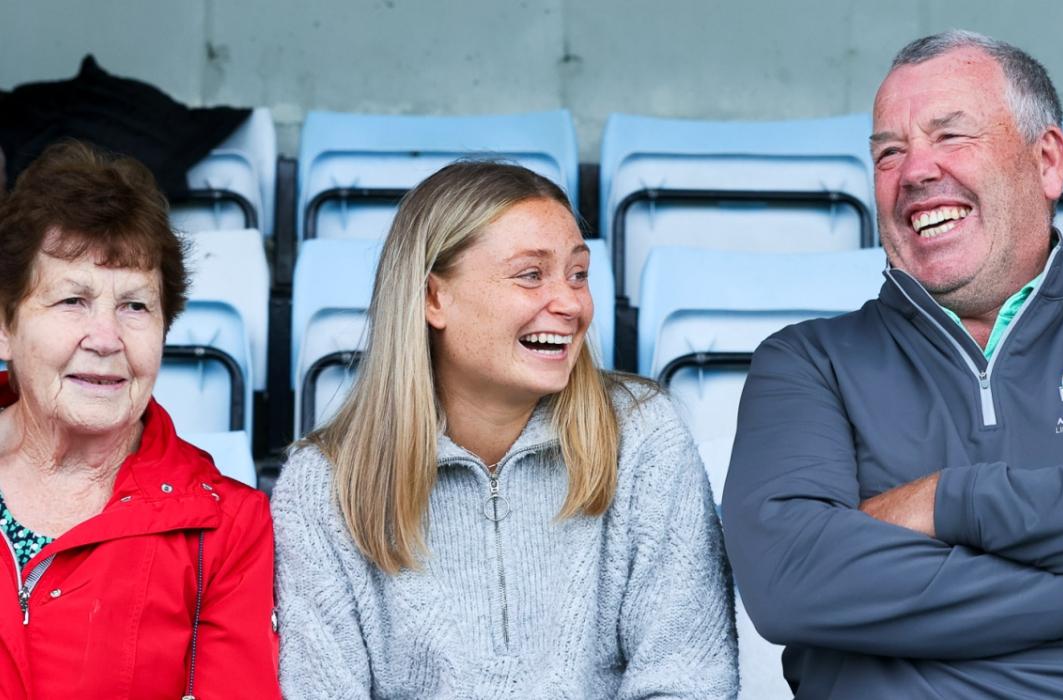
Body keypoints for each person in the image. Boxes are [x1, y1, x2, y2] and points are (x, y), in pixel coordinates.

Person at [723, 29, 1063, 699]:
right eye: (889, 152)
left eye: (951, 136)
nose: (915, 171)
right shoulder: (806, 363)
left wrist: (945, 500)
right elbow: (790, 581)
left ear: (1047, 162)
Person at [272, 161, 737, 698]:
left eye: (578, 274)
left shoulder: (643, 435)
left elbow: (688, 679)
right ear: (432, 298)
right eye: (531, 274)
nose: (570, 303)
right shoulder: (323, 485)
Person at [0, 141, 280, 698]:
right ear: (6, 326)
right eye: (71, 301)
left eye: (135, 306)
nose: (106, 339)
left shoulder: (225, 527)